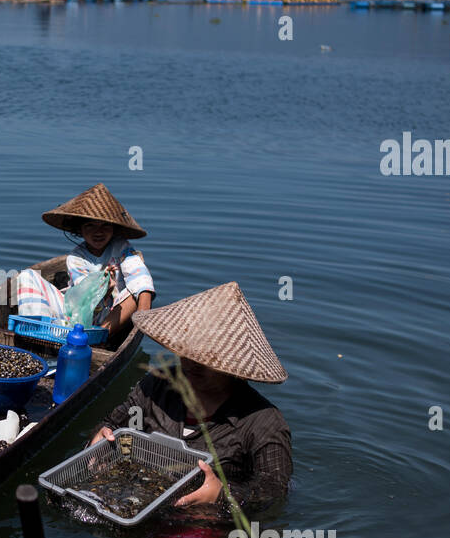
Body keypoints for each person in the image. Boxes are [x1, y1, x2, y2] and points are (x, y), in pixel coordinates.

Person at [90, 281, 291, 517]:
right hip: (139, 498)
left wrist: (222, 495)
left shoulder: (263, 421)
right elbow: (113, 423)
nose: (190, 363)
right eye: (187, 351)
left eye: (206, 358)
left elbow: (274, 491)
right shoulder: (156, 385)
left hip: (206, 521)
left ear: (233, 367)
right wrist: (102, 435)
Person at [15, 183, 155, 339]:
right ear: (79, 230)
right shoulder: (76, 258)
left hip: (110, 316)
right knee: (27, 276)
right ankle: (39, 332)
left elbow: (138, 272)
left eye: (105, 226)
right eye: (90, 226)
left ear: (114, 228)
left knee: (134, 292)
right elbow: (84, 298)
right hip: (76, 315)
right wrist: (102, 290)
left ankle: (99, 336)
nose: (98, 232)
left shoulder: (121, 247)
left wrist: (144, 313)